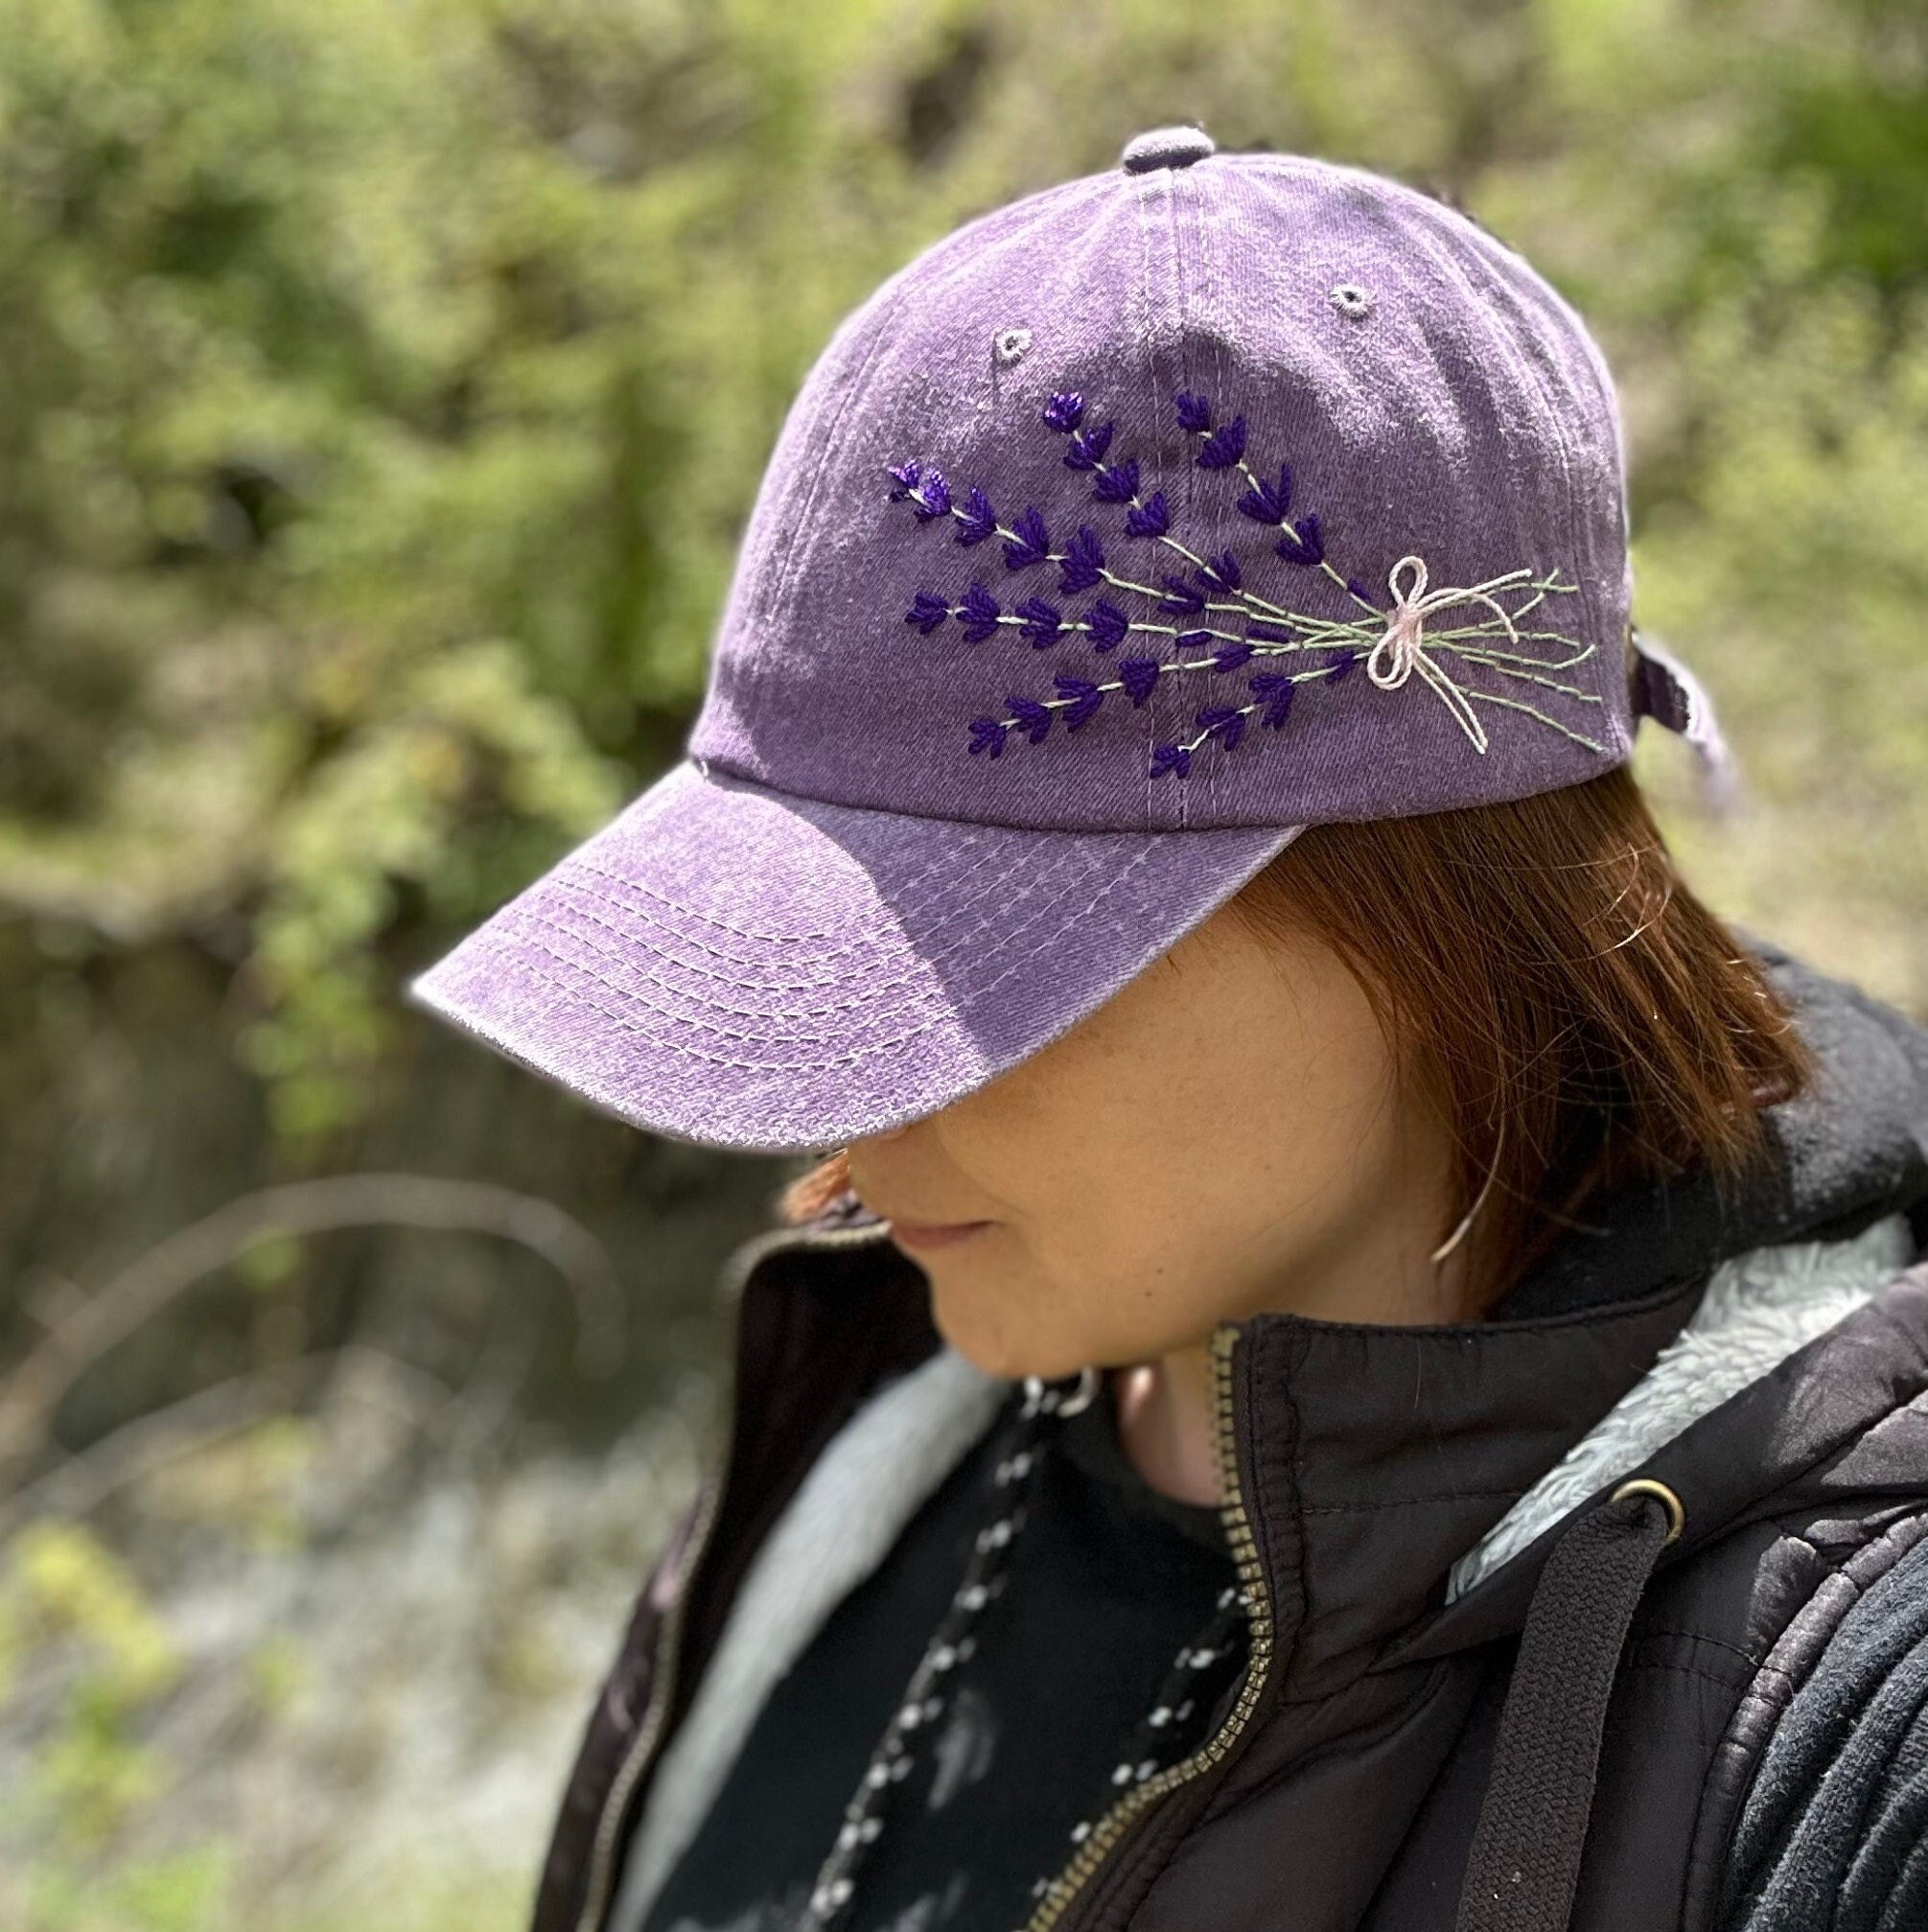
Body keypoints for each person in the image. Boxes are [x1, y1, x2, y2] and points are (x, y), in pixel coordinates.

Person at [407, 129, 1928, 1932]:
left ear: (1427, 911)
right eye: (822, 985)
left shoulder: (1846, 1721)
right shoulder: (867, 1433)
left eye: (985, 979)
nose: (850, 1147)